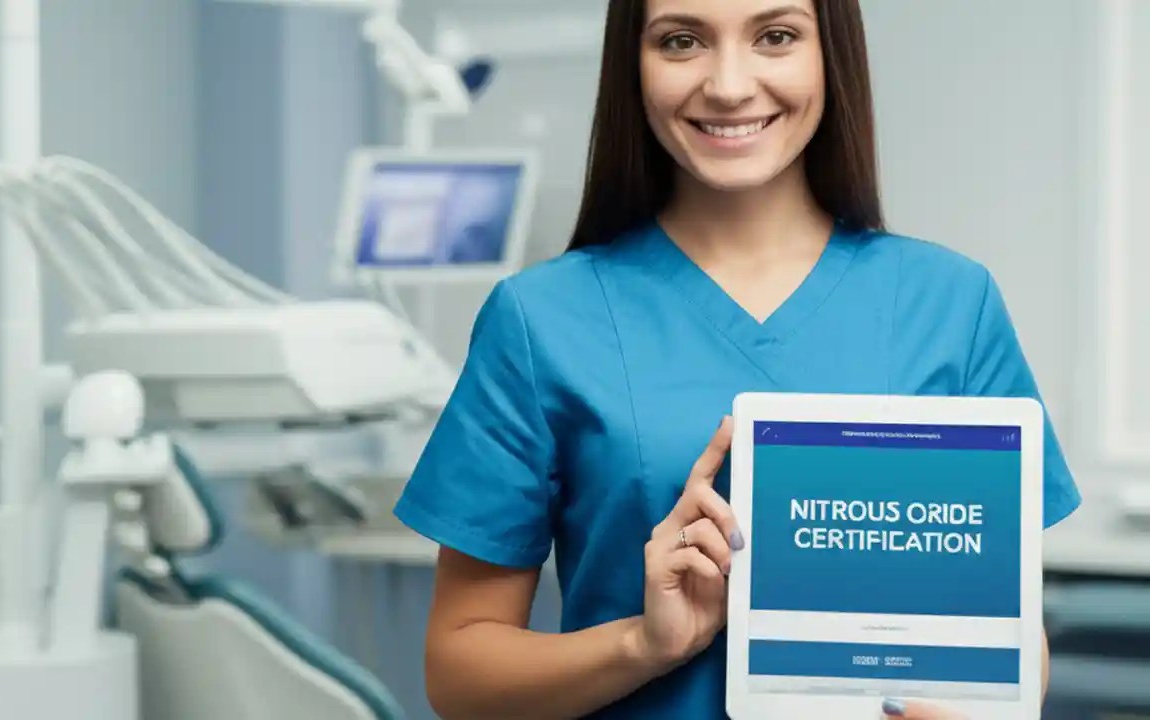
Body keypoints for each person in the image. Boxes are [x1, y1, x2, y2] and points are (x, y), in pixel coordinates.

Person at [392, 0, 1082, 717]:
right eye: (681, 41)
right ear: (633, 63)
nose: (728, 85)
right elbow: (460, 672)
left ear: (831, 54)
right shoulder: (541, 319)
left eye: (776, 36)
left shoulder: (950, 304)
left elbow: (1010, 642)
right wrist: (642, 645)